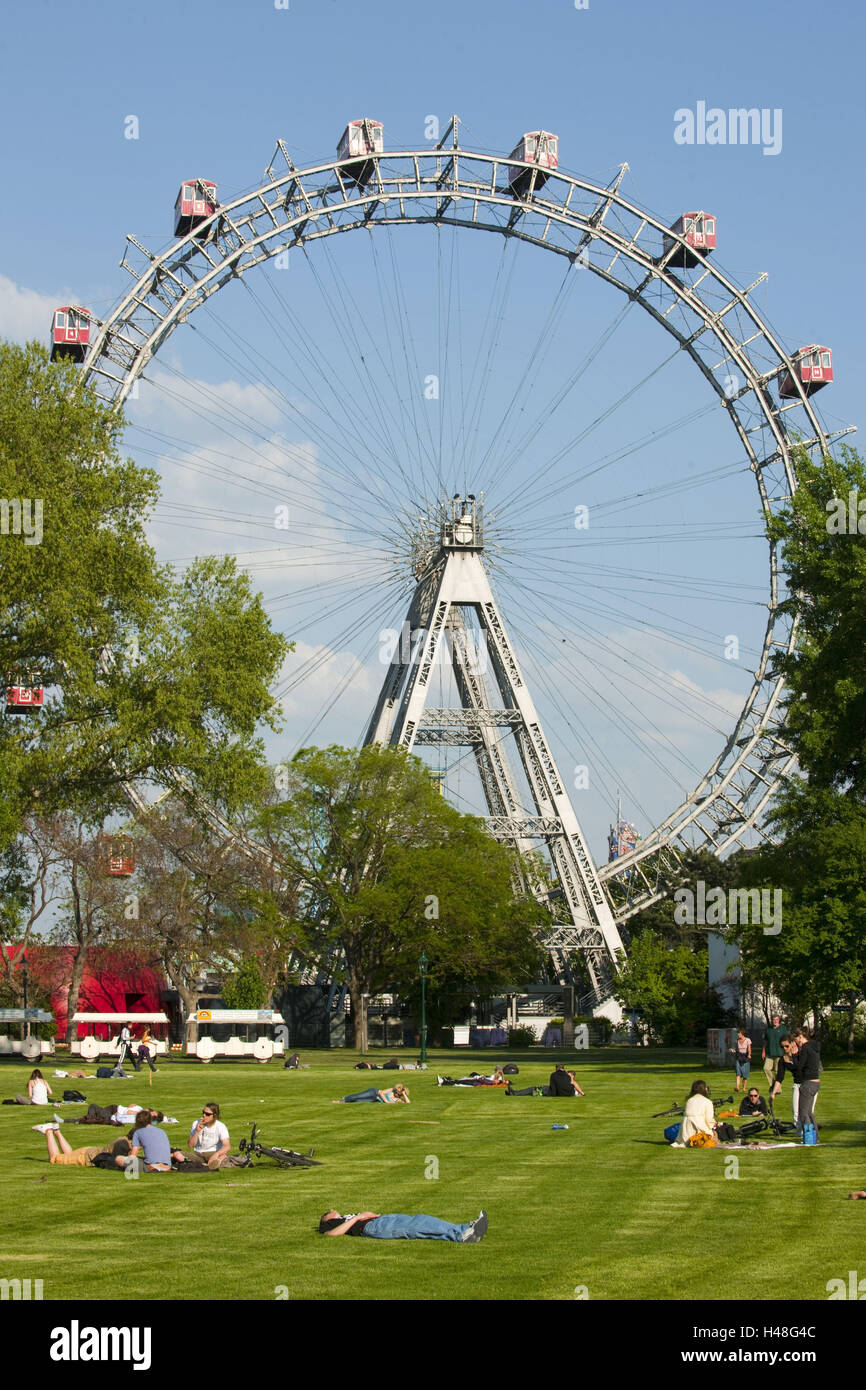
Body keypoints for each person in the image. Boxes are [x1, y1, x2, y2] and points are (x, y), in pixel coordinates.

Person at [318, 1209, 487, 1242]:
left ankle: (464, 1232)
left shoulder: (339, 1219)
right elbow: (331, 1235)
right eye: (328, 1212)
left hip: (381, 1221)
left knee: (421, 1223)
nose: (332, 1210)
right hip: (372, 1227)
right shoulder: (330, 1224)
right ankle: (462, 1232)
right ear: (326, 1220)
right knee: (419, 1224)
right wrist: (358, 1218)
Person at [33, 1123, 131, 1169]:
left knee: (69, 1154)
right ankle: (49, 1131)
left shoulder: (122, 1139)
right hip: (86, 1157)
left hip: (89, 1151)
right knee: (55, 1158)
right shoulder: (124, 1145)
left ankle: (57, 1131)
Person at [172, 1102, 233, 1168]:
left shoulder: (220, 1126)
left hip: (212, 1153)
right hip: (198, 1154)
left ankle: (197, 1164)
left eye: (207, 1114)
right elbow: (190, 1145)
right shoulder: (196, 1123)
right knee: (177, 1154)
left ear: (214, 1115)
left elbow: (227, 1146)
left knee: (223, 1156)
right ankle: (202, 1164)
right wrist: (197, 1131)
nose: (204, 1115)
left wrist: (216, 1154)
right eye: (203, 1112)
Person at [671, 1080, 717, 1147]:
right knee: (712, 1135)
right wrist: (714, 1125)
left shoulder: (689, 1100)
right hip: (698, 1126)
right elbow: (709, 1120)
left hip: (685, 1130)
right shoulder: (707, 1101)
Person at [761, 1015, 789, 1088]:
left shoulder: (783, 1028)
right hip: (770, 1053)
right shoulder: (768, 1029)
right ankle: (773, 1085)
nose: (775, 1021)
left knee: (777, 1071)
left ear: (779, 1020)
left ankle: (777, 1088)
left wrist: (787, 1052)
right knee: (766, 1068)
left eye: (776, 1019)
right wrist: (763, 1051)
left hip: (780, 1053)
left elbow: (787, 1040)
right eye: (773, 1019)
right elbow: (765, 1041)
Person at [333, 1084, 410, 1104]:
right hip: (374, 1092)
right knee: (358, 1096)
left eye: (399, 1094)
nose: (396, 1094)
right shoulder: (391, 1090)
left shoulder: (398, 1100)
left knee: (357, 1100)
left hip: (374, 1099)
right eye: (397, 1092)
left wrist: (404, 1094)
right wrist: (386, 1101)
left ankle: (347, 1098)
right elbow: (381, 1093)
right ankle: (341, 1101)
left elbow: (408, 1103)